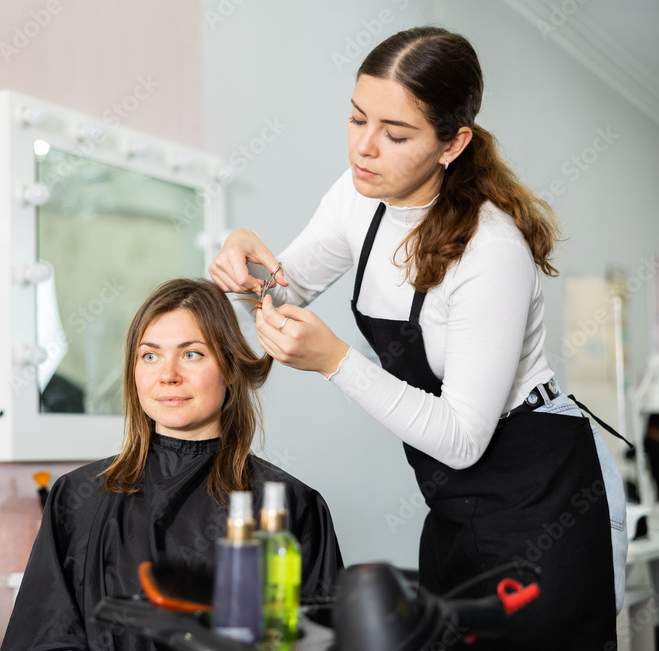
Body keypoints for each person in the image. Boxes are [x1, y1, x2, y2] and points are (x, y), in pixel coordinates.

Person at [209, 26, 627, 650]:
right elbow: (283, 290)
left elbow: (461, 438)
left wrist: (334, 361)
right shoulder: (357, 196)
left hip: (541, 495)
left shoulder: (492, 249)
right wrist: (244, 256)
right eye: (356, 119)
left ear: (452, 143)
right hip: (454, 502)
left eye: (395, 134)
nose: (364, 149)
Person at [1, 278, 343, 650]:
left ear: (229, 368)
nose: (168, 375)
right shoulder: (77, 499)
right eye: (150, 356)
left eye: (191, 354)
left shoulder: (294, 506)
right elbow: (43, 638)